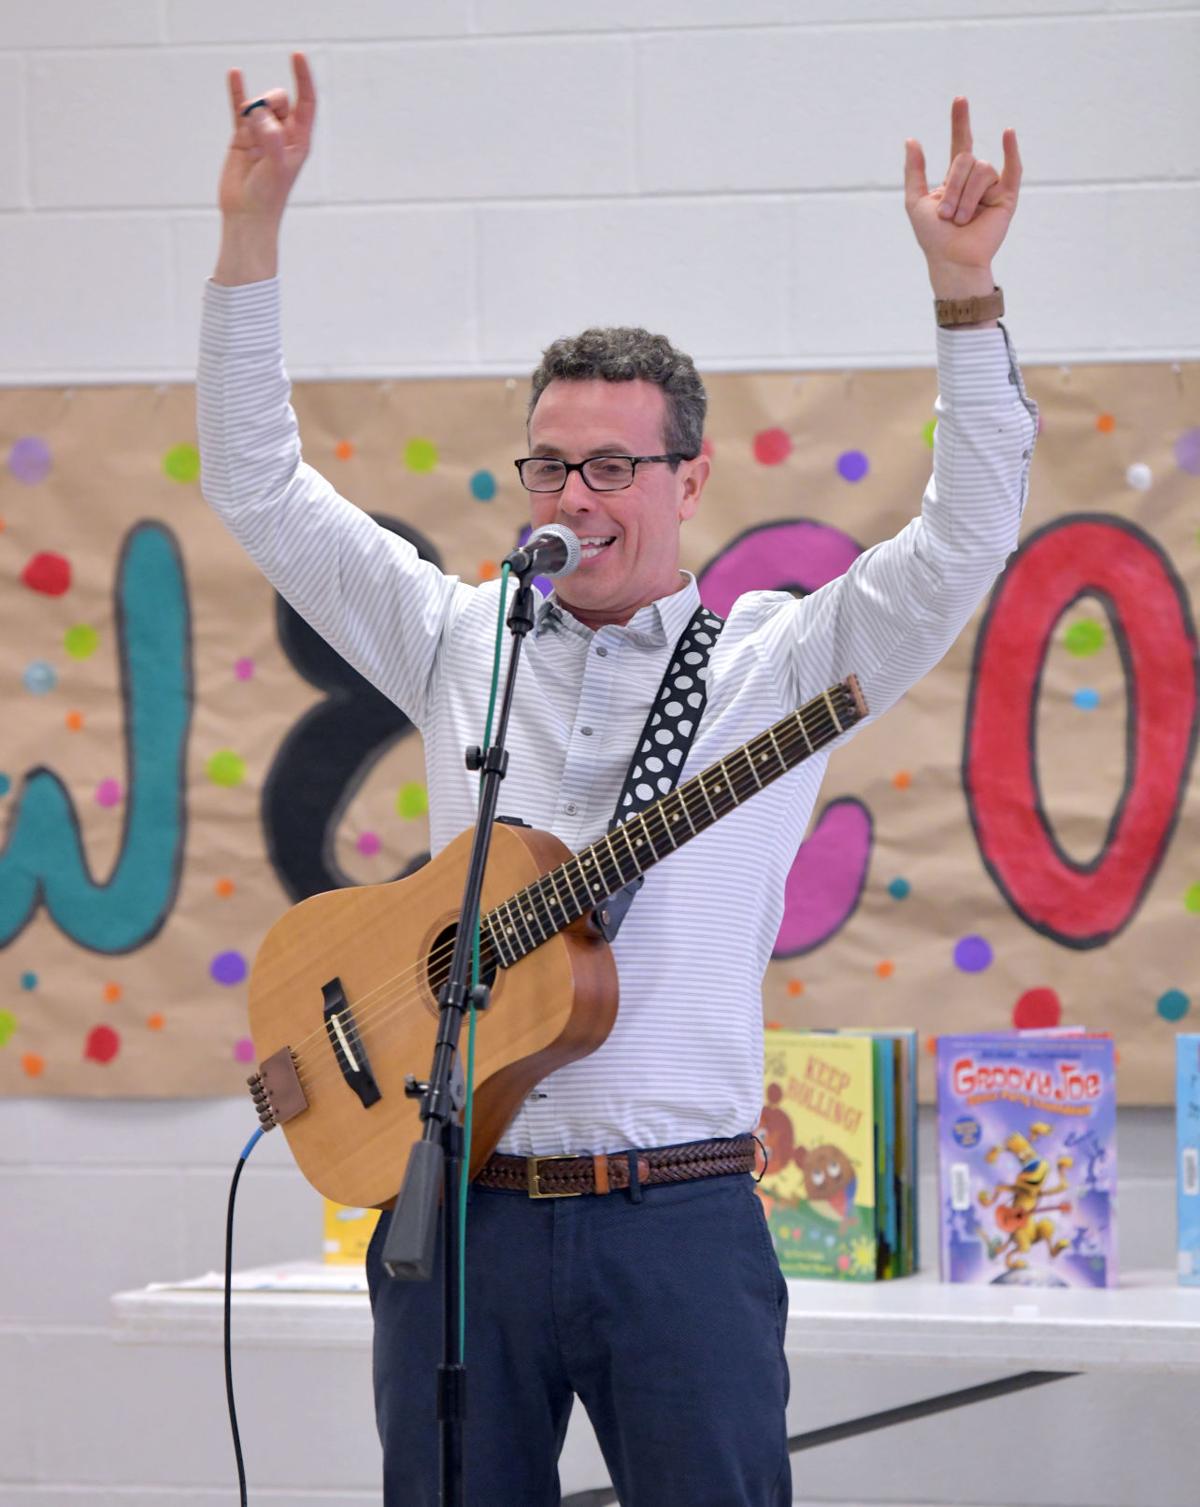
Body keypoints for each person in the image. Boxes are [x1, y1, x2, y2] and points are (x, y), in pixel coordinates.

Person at [199, 52, 1035, 1507]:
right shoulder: (464, 637)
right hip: (458, 1219)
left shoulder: (776, 664)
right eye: (548, 469)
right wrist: (250, 232)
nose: (574, 499)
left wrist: (964, 297)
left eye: (611, 470)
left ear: (689, 480)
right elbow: (258, 487)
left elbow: (964, 538)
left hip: (680, 1220)